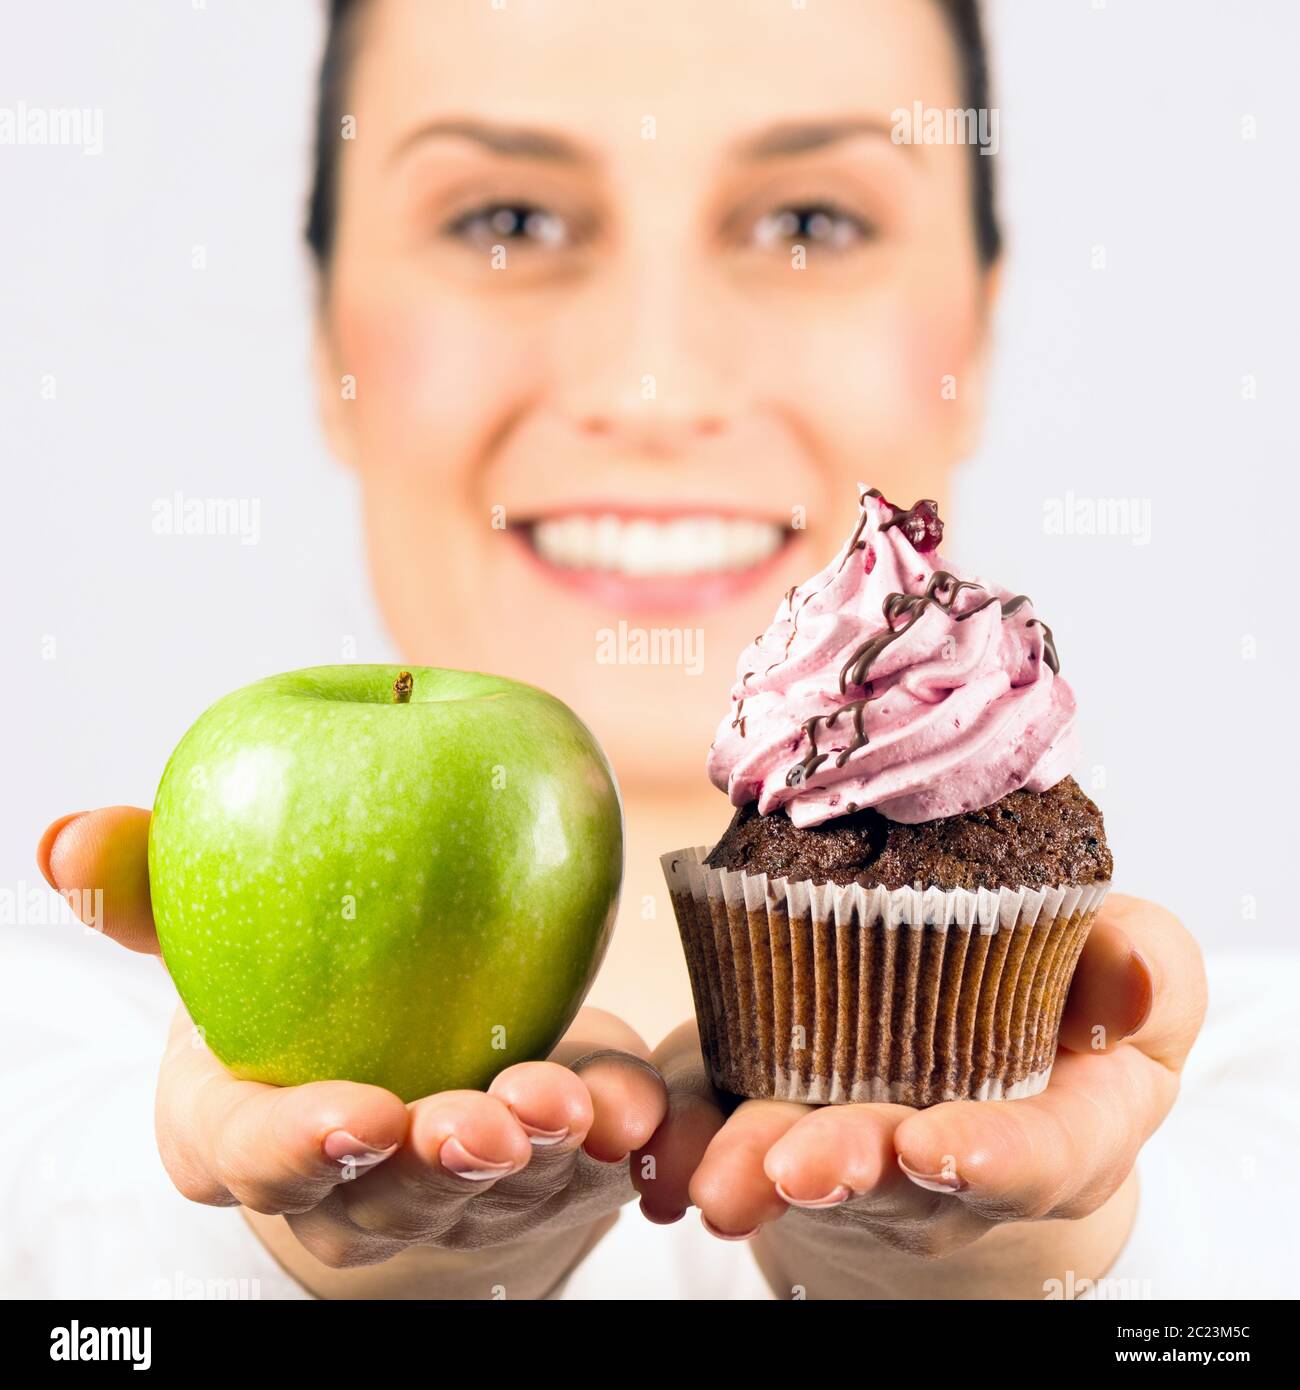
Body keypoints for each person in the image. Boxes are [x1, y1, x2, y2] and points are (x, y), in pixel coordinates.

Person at [30, 0, 1213, 1300]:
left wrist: (1023, 1278)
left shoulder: (1269, 1123)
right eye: (507, 222)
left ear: (978, 334)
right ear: (327, 335)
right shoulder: (32, 1101)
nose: (655, 386)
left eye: (811, 222)